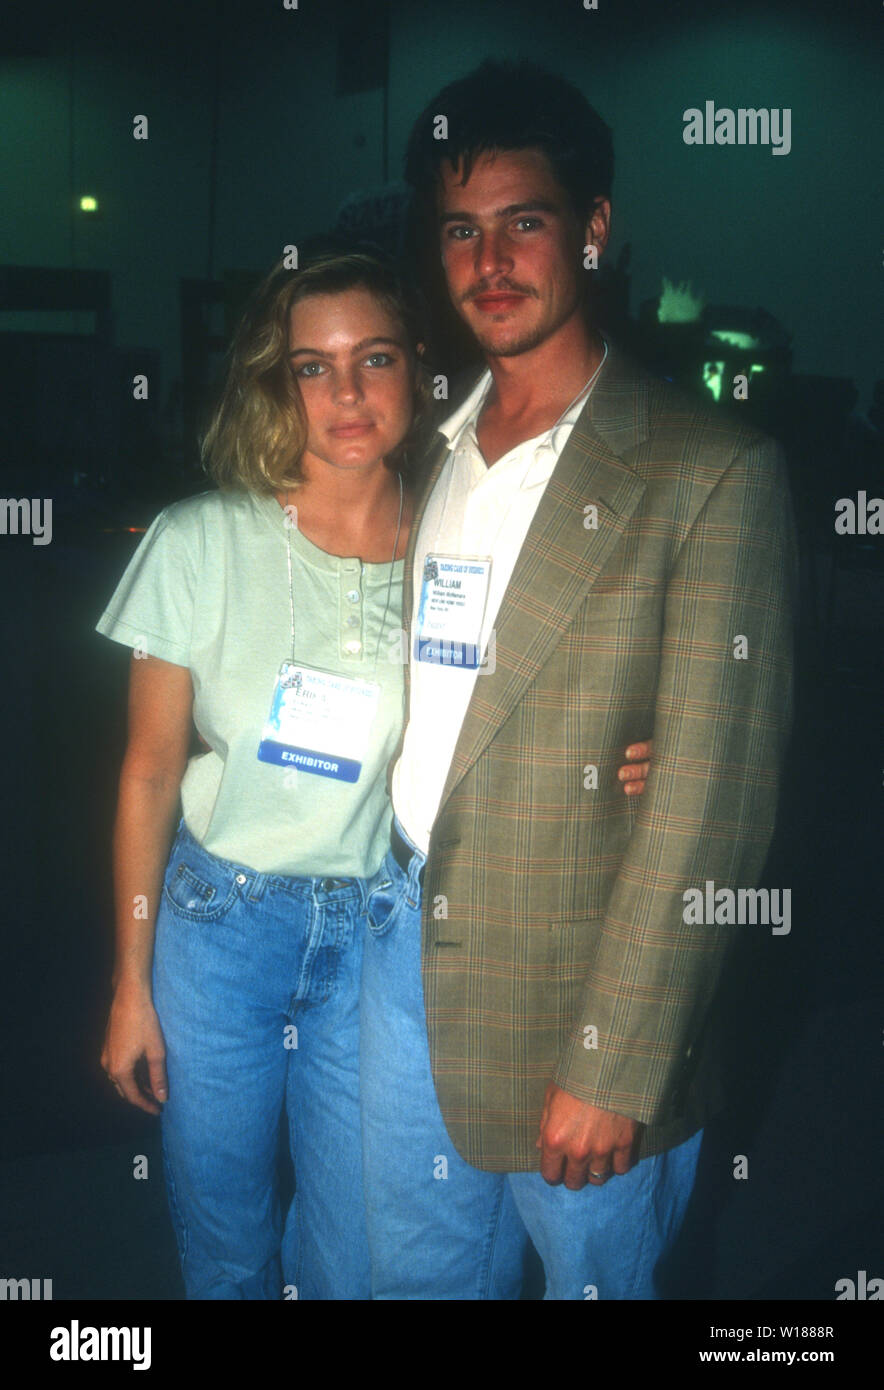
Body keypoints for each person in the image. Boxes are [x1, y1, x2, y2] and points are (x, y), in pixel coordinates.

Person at [96, 242, 650, 1301]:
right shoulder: (198, 540)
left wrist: (637, 744)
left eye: (375, 359)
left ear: (415, 370)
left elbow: (552, 682)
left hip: (379, 935)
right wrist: (130, 983)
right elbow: (147, 773)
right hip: (221, 931)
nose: (346, 393)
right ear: (278, 382)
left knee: (356, 1249)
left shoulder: (458, 536)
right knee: (225, 1235)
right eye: (313, 366)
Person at [358, 60, 797, 1300]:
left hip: (579, 982)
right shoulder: (425, 446)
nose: (488, 260)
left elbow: (714, 802)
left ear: (593, 227)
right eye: (460, 229)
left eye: (524, 221)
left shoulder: (708, 470)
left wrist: (621, 1055)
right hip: (401, 953)